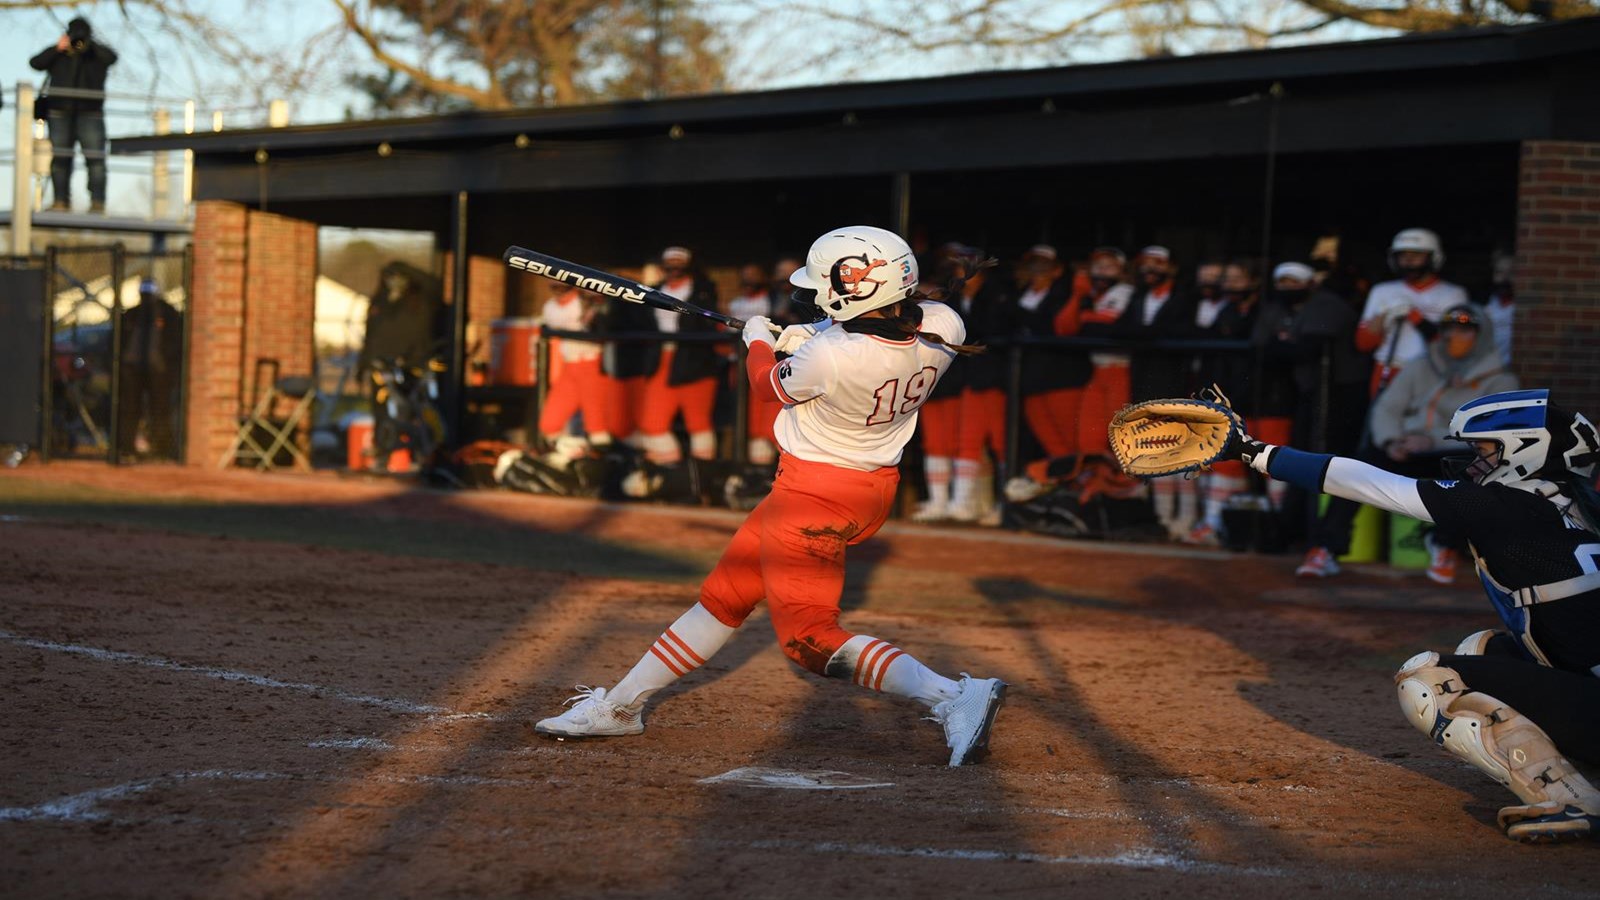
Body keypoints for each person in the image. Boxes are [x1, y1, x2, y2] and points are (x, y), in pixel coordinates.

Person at [535, 225, 1008, 766]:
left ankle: (952, 697)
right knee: (725, 596)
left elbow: (767, 385)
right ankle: (620, 706)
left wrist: (759, 339)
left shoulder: (832, 355)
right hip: (865, 486)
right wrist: (807, 333)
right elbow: (865, 329)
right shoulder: (943, 324)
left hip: (814, 498)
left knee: (807, 639)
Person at [1231, 389, 1600, 843]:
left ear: (1527, 451)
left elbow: (1373, 484)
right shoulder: (1570, 504)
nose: (1473, 463)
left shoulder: (1513, 506)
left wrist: (1254, 452)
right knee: (1481, 650)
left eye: (1485, 451)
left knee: (1428, 678)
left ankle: (1576, 801)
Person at [1298, 305, 1517, 581]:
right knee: (1354, 469)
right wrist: (1391, 440)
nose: (1454, 336)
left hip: (1452, 452)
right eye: (1448, 329)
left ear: (1481, 335)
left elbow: (1488, 431)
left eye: (1464, 330)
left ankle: (1444, 547)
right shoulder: (1421, 364)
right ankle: (1325, 548)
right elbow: (1387, 408)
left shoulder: (1500, 378)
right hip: (1403, 448)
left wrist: (1431, 440)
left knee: (1473, 475)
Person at [1254, 261, 1368, 552]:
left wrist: (1283, 346)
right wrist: (1283, 347)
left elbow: (1309, 348)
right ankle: (1296, 532)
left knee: (1333, 459)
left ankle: (1324, 535)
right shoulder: (1278, 309)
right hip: (1310, 393)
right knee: (1302, 458)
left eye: (1294, 282)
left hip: (1342, 393)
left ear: (1310, 283)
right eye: (1282, 283)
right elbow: (1260, 344)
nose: (1287, 289)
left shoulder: (1328, 305)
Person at [1113, 246, 1198, 538]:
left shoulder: (1186, 297)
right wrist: (1150, 333)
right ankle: (1162, 518)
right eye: (1146, 263)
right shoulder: (1138, 296)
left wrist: (1145, 333)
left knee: (1182, 453)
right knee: (1156, 450)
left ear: (1171, 267)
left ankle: (1186, 518)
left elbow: (1178, 330)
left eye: (1158, 263)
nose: (1150, 269)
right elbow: (1121, 328)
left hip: (1178, 386)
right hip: (1144, 383)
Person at [624, 246, 723, 466]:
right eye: (669, 263)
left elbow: (708, 324)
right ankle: (671, 471)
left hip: (695, 360)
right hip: (661, 358)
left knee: (698, 422)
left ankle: (702, 476)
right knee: (652, 423)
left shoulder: (703, 290)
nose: (674, 268)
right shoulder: (653, 290)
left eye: (679, 263)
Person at [1356, 228, 1469, 396]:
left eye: (1416, 255)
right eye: (1403, 256)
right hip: (1389, 368)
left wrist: (1416, 317)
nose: (1408, 261)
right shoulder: (1382, 291)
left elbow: (1457, 345)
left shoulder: (1453, 294)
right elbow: (1363, 343)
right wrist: (1384, 316)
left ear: (1433, 258)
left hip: (1432, 369)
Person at [358, 262, 442, 469]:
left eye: (398, 278)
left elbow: (435, 286)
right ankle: (382, 455)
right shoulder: (380, 304)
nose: (393, 282)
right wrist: (362, 366)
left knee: (414, 412)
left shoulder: (420, 303)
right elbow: (370, 338)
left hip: (410, 367)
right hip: (381, 369)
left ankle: (417, 456)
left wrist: (403, 267)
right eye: (389, 277)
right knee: (382, 412)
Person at [30, 17, 117, 214]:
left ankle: (97, 203)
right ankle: (60, 201)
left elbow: (112, 58)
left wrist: (90, 45)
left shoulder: (95, 53)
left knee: (95, 160)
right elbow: (35, 63)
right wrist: (57, 48)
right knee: (60, 158)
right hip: (59, 112)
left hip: (90, 113)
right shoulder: (60, 53)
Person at [536, 286, 611, 458]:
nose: (556, 283)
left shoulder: (585, 299)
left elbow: (601, 322)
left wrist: (592, 304)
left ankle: (603, 465)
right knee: (550, 422)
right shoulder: (550, 307)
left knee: (597, 423)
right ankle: (569, 458)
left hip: (593, 362)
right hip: (569, 366)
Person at [116, 278, 182, 459]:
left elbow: (175, 342)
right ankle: (127, 447)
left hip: (159, 371)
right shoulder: (131, 314)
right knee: (130, 409)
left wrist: (166, 363)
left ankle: (161, 448)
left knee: (160, 409)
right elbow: (118, 341)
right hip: (133, 370)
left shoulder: (168, 314)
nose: (146, 297)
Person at [728, 263, 781, 465]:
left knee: (770, 424)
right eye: (745, 275)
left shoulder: (773, 301)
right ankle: (756, 474)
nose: (749, 280)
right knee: (751, 423)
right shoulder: (735, 304)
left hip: (770, 362)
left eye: (754, 275)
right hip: (740, 364)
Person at [1484, 251, 1515, 367]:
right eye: (1499, 272)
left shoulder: (1525, 310)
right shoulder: (1485, 307)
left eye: (1512, 273)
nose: (1505, 278)